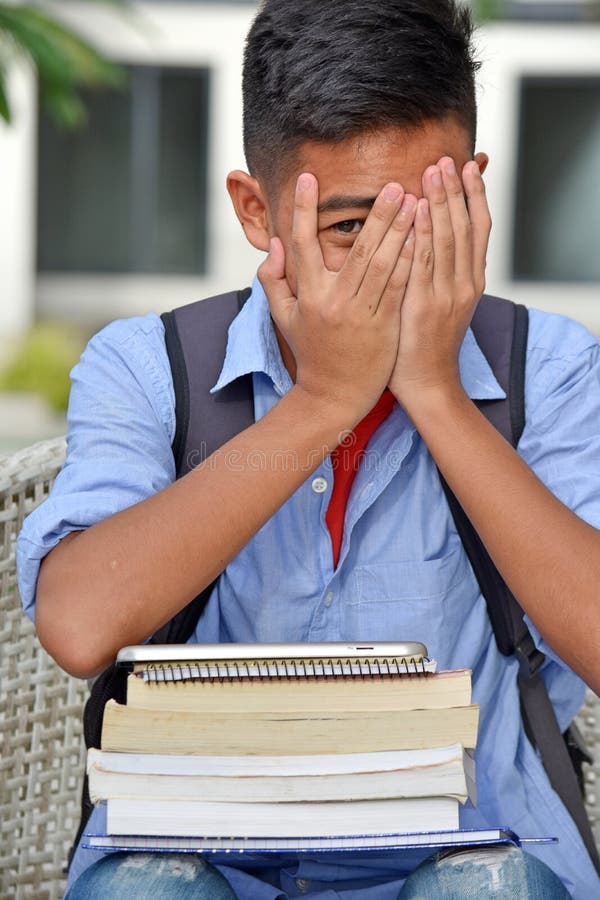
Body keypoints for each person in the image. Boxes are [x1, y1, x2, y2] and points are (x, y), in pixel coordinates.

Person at [17, 0, 600, 897]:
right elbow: (80, 624)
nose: (393, 268)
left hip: (476, 849)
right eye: (352, 230)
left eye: (428, 221)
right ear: (258, 211)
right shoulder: (152, 367)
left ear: (475, 191)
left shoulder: (549, 370)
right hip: (204, 859)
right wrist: (321, 402)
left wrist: (439, 394)